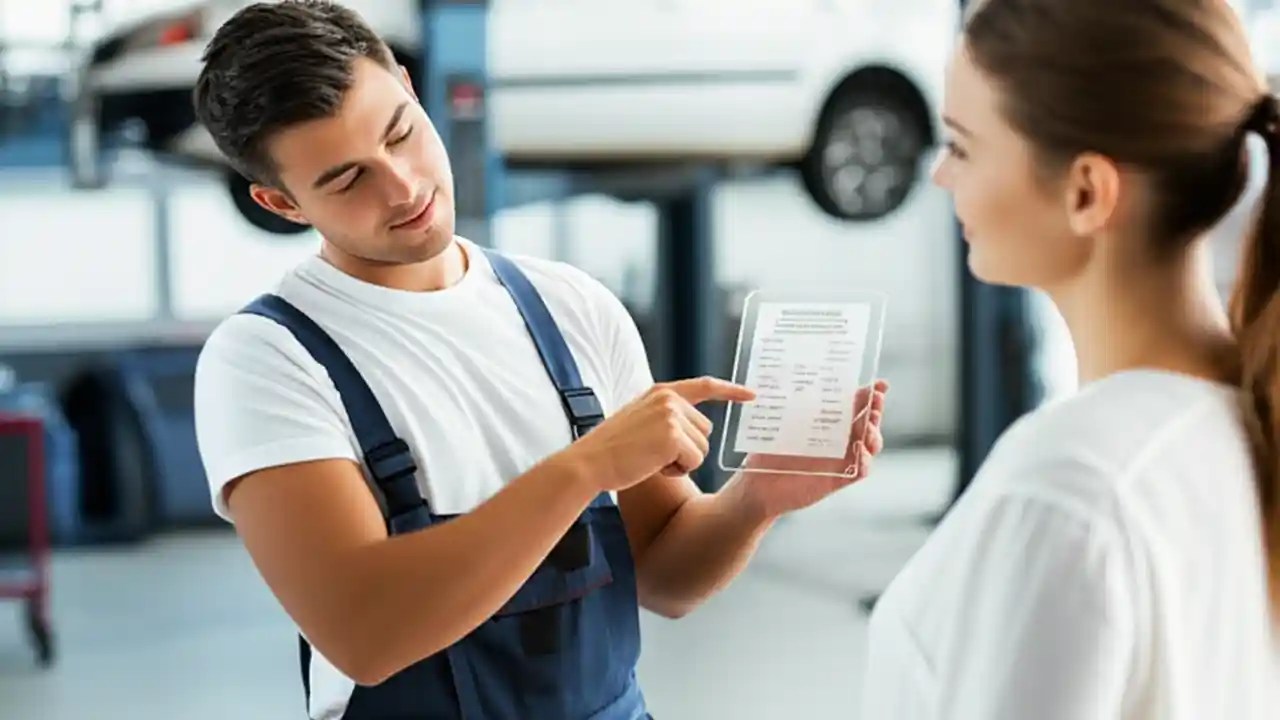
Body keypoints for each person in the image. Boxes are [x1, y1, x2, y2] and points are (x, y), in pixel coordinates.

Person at [189, 2, 888, 719]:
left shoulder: (570, 306)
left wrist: (755, 499)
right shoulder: (266, 361)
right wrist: (586, 466)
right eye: (347, 180)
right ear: (282, 203)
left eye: (401, 133)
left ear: (408, 84)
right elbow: (367, 634)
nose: (402, 186)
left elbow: (665, 575)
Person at [861, 0, 1280, 717]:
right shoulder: (1245, 421)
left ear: (1087, 191)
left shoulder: (1068, 483)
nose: (940, 177)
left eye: (962, 146)